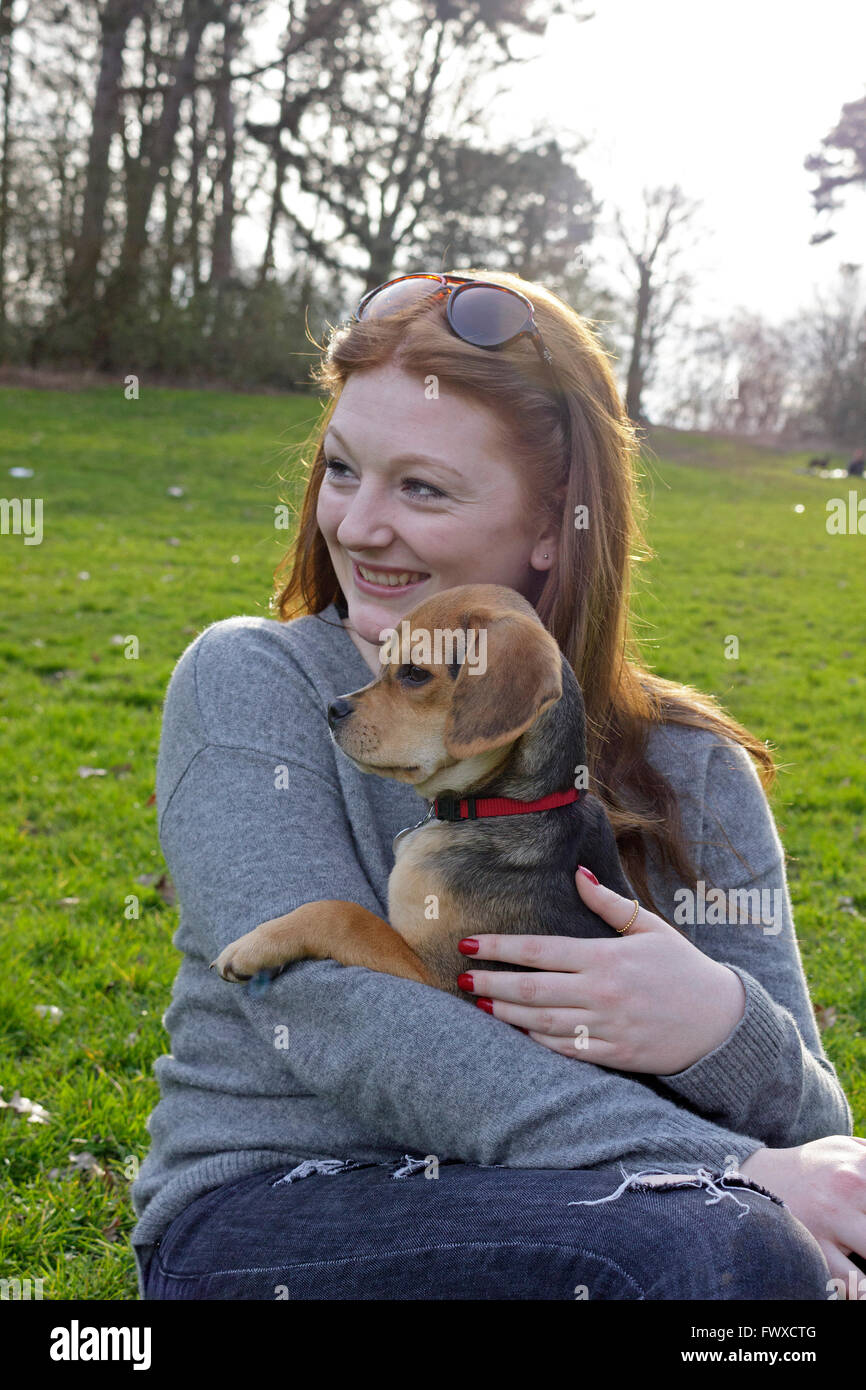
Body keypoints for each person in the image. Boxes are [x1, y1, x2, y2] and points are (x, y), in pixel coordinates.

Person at [130, 270, 862, 1301]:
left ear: (550, 527)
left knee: (784, 1259)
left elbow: (818, 1140)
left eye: (420, 488)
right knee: (719, 1253)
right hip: (286, 1214)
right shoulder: (257, 682)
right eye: (341, 470)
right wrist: (713, 1166)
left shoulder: (693, 764)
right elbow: (344, 1019)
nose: (358, 524)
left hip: (648, 1212)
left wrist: (715, 1023)